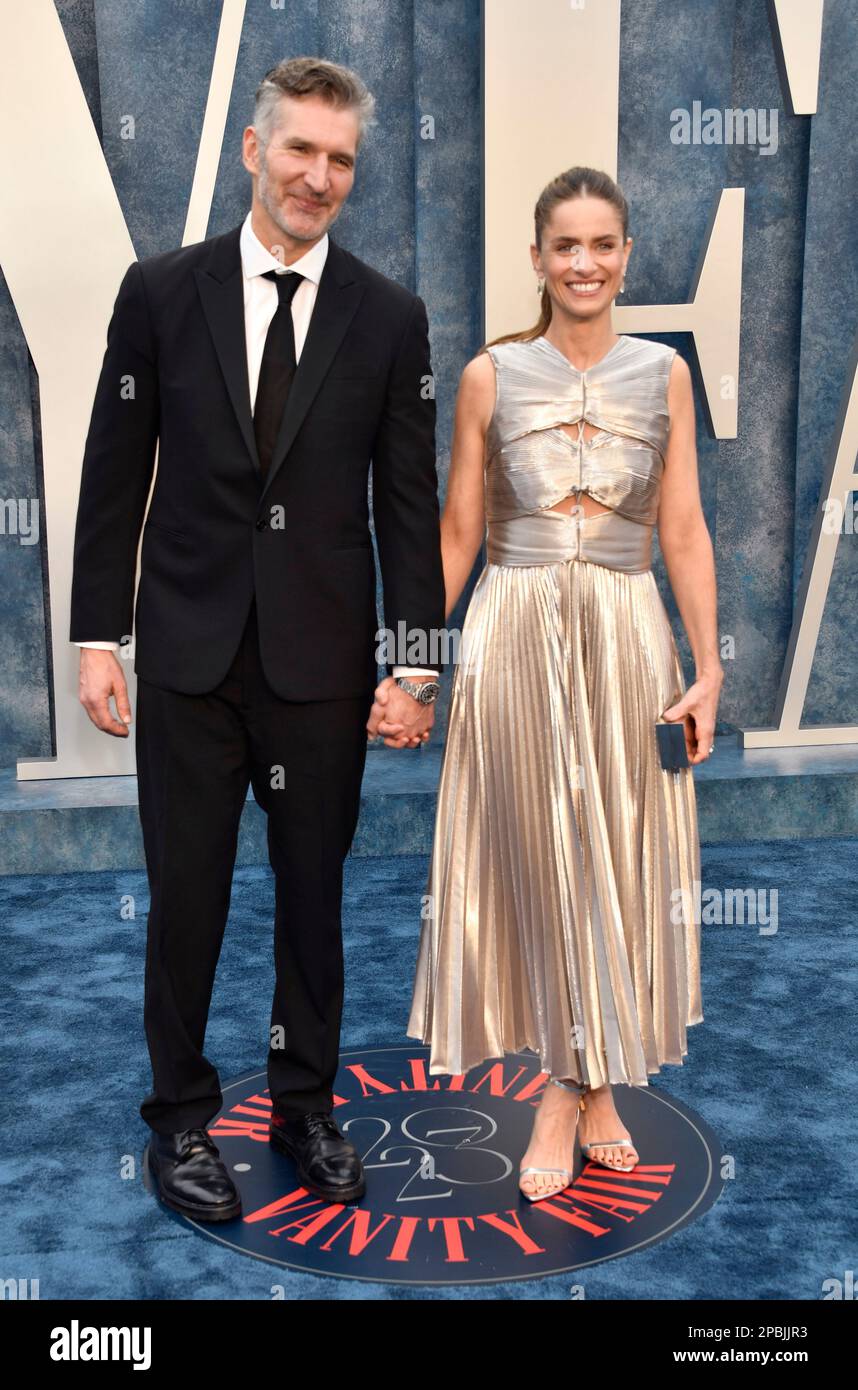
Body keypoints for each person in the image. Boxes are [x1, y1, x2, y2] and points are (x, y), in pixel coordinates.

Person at [70, 56, 446, 1221]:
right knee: (186, 897)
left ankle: (303, 1104)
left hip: (321, 668)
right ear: (253, 149)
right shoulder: (159, 292)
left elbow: (406, 504)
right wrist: (96, 634)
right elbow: (114, 472)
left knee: (312, 900)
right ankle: (181, 1119)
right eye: (300, 151)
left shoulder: (391, 318)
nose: (318, 177)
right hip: (186, 656)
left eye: (340, 159)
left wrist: (414, 657)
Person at [401, 166, 723, 1201]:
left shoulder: (665, 374)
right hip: (513, 634)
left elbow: (682, 529)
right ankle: (567, 1090)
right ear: (537, 259)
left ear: (627, 255)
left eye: (602, 244)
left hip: (630, 638)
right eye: (565, 246)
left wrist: (709, 666)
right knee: (541, 861)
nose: (584, 263)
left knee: (616, 861)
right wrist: (412, 662)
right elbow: (456, 532)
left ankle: (582, 1086)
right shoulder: (490, 375)